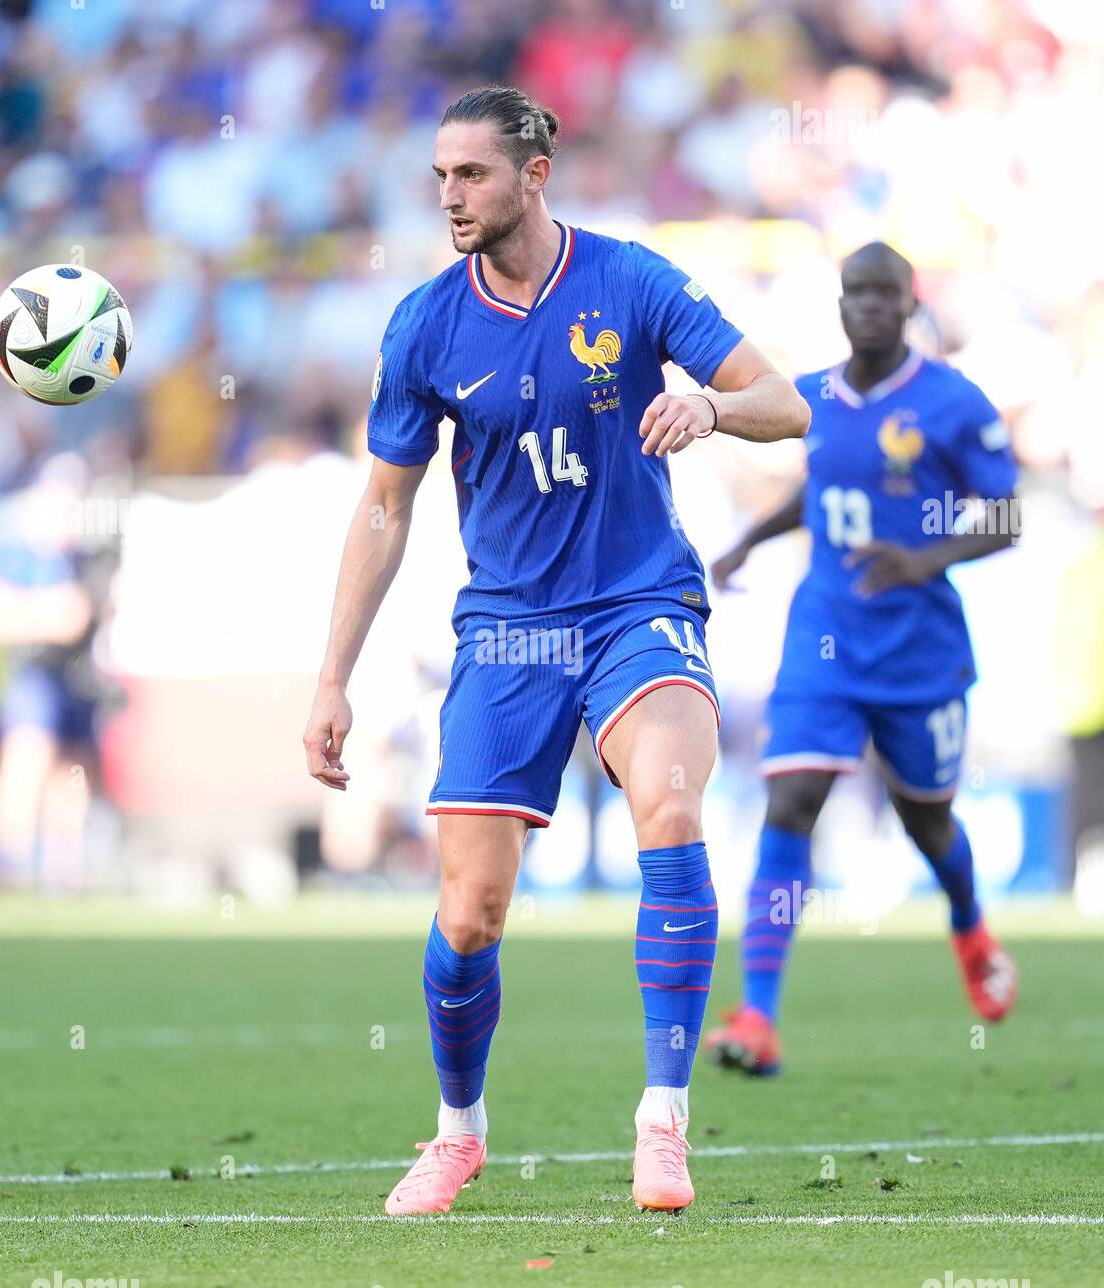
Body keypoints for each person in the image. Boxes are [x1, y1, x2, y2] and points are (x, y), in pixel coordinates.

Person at [302, 85, 808, 1214]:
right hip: (508, 627)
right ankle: (456, 1133)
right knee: (469, 914)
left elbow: (784, 400)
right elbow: (384, 508)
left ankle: (662, 1119)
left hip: (639, 603)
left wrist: (712, 413)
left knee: (670, 810)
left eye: (469, 174)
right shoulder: (424, 324)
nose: (448, 196)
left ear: (534, 174)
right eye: (438, 176)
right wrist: (332, 674)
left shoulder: (629, 280)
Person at [703, 242, 1019, 1078]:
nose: (870, 307)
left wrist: (924, 558)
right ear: (840, 306)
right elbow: (819, 488)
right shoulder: (812, 398)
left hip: (919, 652)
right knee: (791, 800)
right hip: (824, 643)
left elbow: (1006, 517)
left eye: (886, 294)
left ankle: (969, 924)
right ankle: (758, 1014)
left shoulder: (953, 404)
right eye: (856, 293)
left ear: (911, 305)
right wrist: (745, 543)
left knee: (926, 821)